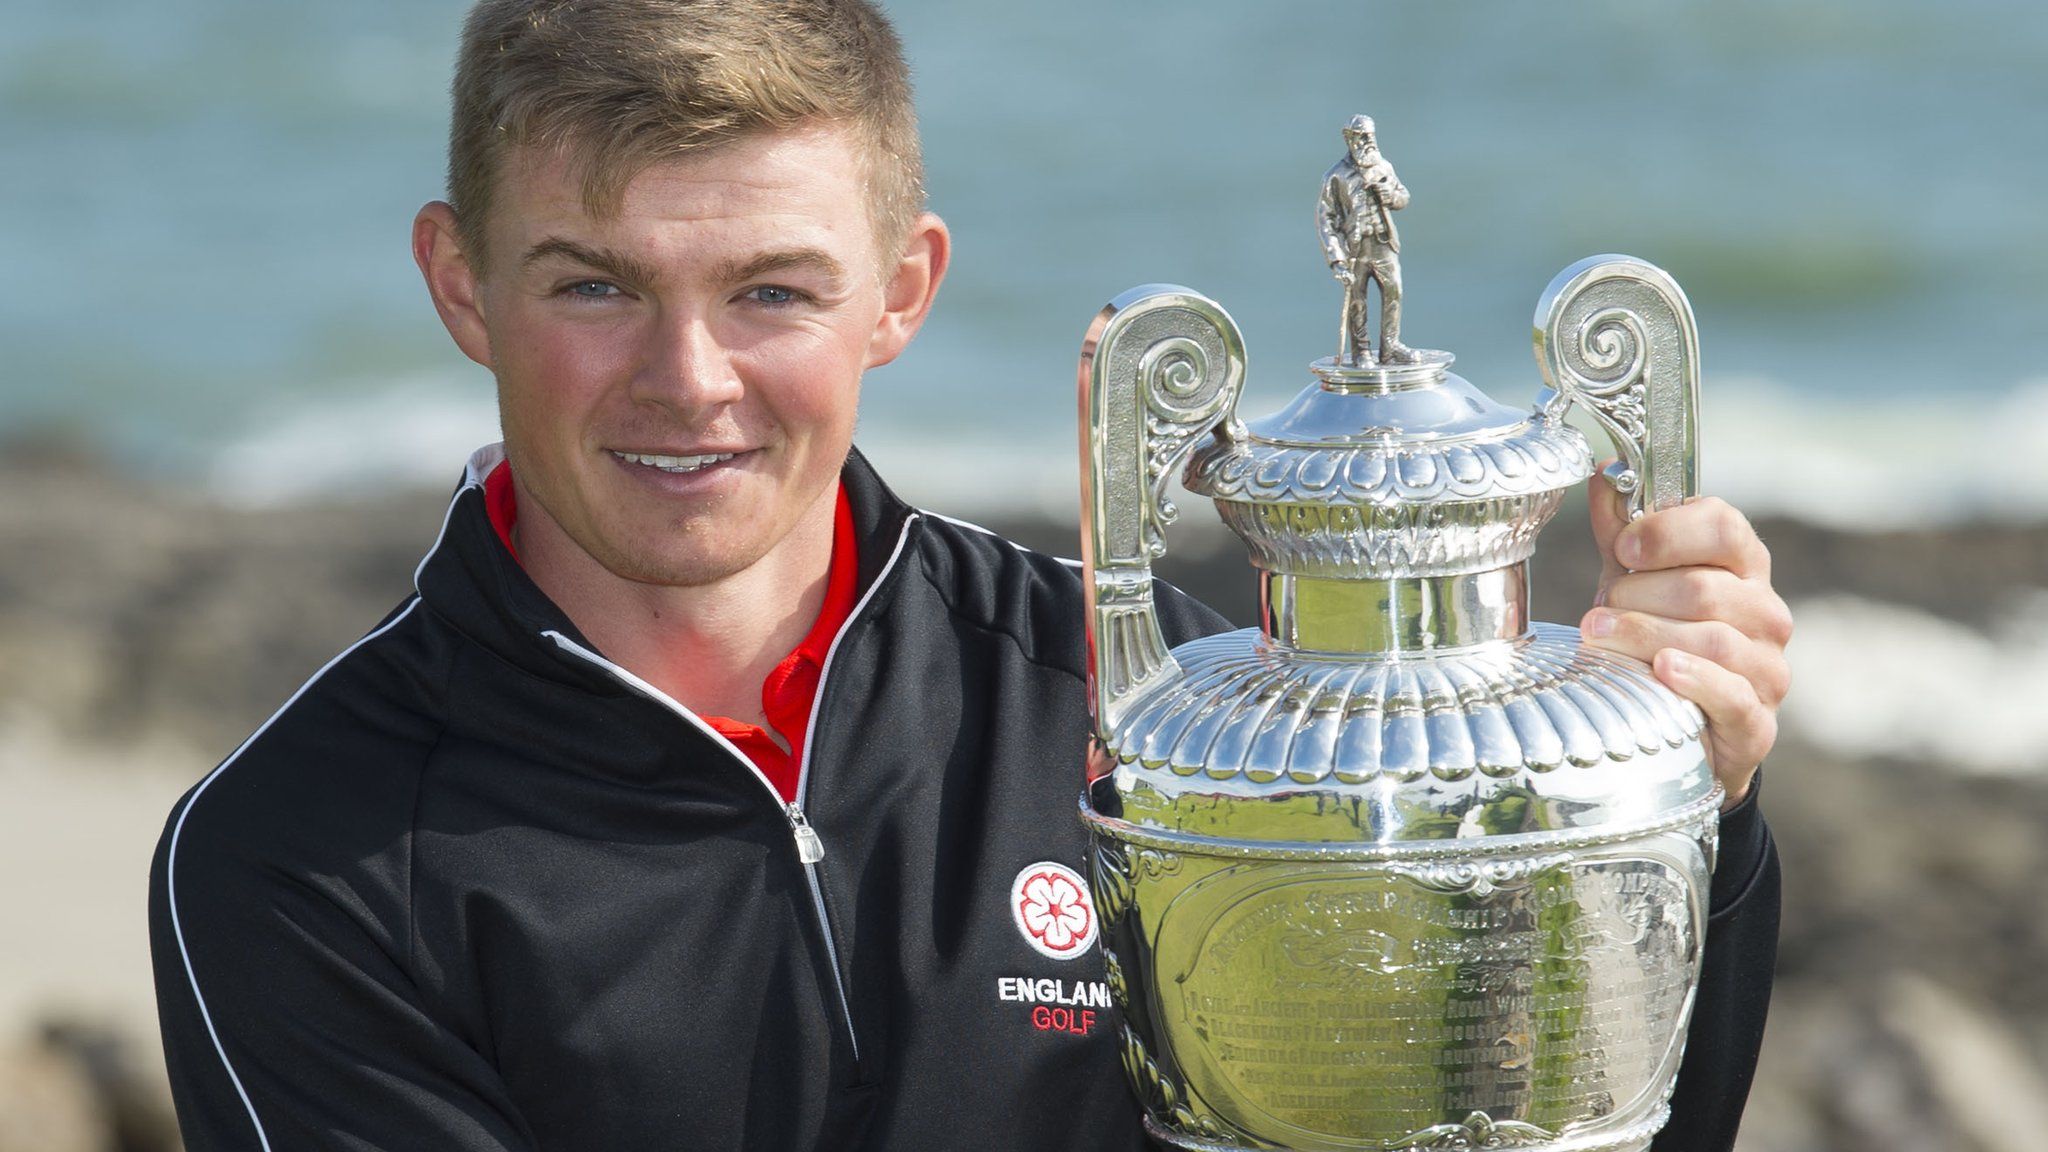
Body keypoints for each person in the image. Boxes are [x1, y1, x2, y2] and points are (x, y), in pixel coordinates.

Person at [146, 2, 1788, 1149]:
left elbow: (1507, 1128)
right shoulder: (298, 854)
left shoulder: (1139, 706)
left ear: (900, 291)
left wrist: (1668, 828)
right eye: (593, 286)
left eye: (773, 291)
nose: (687, 378)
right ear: (460, 284)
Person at [1319, 114, 1413, 365]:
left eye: (1371, 136)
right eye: (1362, 137)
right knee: (1357, 300)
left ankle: (1390, 346)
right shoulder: (1336, 176)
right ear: (1349, 138)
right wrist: (1336, 261)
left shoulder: (1384, 167)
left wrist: (1390, 195)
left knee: (1394, 291)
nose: (1368, 141)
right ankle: (1361, 350)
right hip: (1355, 249)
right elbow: (1326, 220)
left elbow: (1404, 197)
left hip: (1384, 244)